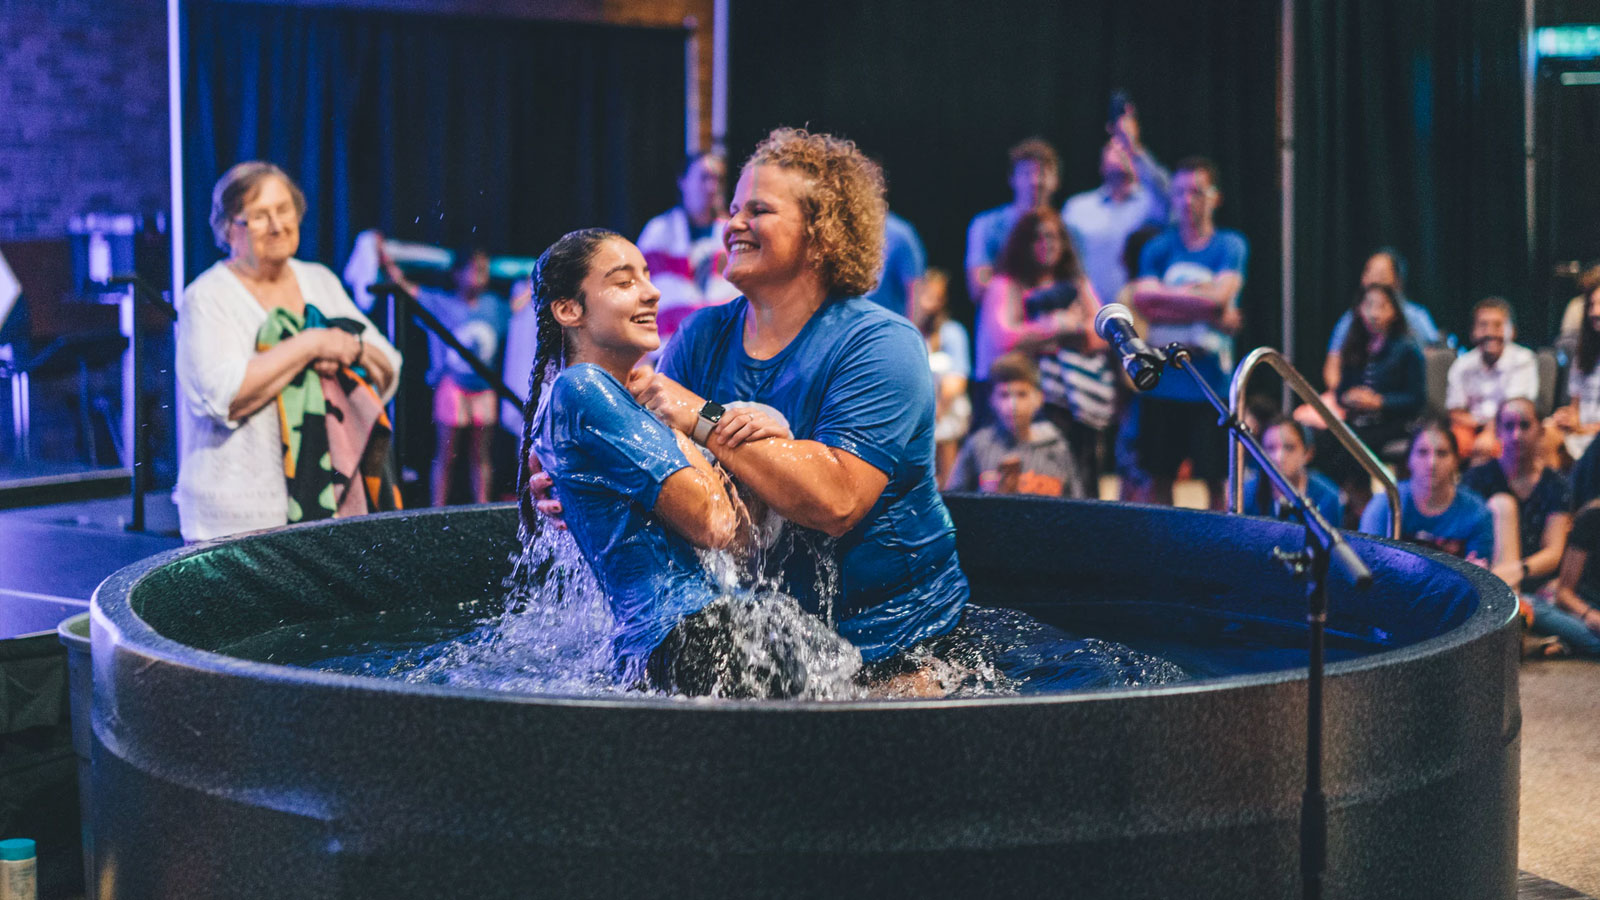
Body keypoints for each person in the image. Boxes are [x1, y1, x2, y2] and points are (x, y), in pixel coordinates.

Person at [615, 127, 970, 675]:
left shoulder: (882, 345)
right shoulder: (700, 339)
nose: (732, 223)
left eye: (758, 210)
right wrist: (592, 482)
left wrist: (701, 415)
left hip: (901, 645)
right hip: (770, 647)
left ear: (822, 233)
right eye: (733, 209)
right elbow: (676, 496)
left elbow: (836, 501)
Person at [518, 228, 865, 697]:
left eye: (645, 275)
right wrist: (692, 431)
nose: (652, 291)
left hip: (684, 638)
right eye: (623, 282)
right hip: (689, 637)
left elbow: (741, 540)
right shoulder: (583, 386)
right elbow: (714, 522)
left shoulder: (615, 400)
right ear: (568, 310)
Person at [175, 161, 401, 541]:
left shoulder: (319, 280)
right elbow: (223, 396)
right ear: (230, 226)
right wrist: (313, 343)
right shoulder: (207, 297)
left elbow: (388, 364)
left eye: (285, 210)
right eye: (260, 216)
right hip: (235, 520)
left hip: (328, 509)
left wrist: (350, 348)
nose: (278, 225)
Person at [1128, 157, 1248, 508]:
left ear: (1214, 197)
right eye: (1179, 192)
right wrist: (1204, 300)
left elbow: (1222, 297)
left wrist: (1169, 303)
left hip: (1211, 382)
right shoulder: (1157, 247)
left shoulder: (1230, 245)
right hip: (1163, 379)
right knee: (1159, 477)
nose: (1187, 200)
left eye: (1196, 192)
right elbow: (1143, 299)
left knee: (1217, 480)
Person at [381, 245, 513, 506]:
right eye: (473, 269)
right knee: (447, 453)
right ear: (457, 274)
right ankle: (437, 508)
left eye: (483, 270)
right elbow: (404, 287)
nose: (479, 275)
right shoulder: (442, 303)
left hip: (485, 387)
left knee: (481, 454)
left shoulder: (495, 306)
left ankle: (483, 507)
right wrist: (384, 257)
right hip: (452, 386)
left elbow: (523, 303)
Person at [1302, 283, 1425, 518]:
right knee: (1324, 442)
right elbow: (1340, 391)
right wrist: (1349, 397)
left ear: (1394, 311)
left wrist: (1379, 402)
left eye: (1382, 306)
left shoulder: (1408, 349)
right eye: (1369, 305)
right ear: (1359, 310)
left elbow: (1417, 399)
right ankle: (1336, 506)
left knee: (1352, 447)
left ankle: (1362, 509)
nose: (1374, 313)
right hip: (1358, 420)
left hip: (1394, 423)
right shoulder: (1355, 345)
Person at [1062, 124, 1170, 309]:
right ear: (1101, 163)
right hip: (1090, 314)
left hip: (1144, 315)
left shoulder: (1152, 204)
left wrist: (1135, 148)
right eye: (1114, 148)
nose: (1122, 151)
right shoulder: (1077, 207)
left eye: (1126, 149)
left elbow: (1170, 194)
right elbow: (1063, 261)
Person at [636, 152, 741, 342]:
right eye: (704, 177)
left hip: (723, 344)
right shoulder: (658, 232)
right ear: (683, 181)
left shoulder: (733, 232)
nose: (712, 187)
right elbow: (639, 291)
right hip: (668, 345)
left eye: (718, 179)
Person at [946, 352, 1080, 497]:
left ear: (1039, 398)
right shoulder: (979, 446)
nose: (1013, 405)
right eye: (1004, 395)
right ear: (992, 400)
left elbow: (1077, 503)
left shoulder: (1057, 447)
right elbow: (954, 502)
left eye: (1022, 394)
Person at [1359, 418, 1493, 563]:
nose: (1432, 463)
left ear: (1456, 461)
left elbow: (1480, 574)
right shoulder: (1385, 504)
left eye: (1442, 453)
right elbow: (1366, 562)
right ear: (1409, 460)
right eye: (1423, 452)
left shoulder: (1477, 511)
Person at [1321, 248, 1440, 392]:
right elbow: (1333, 364)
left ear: (1398, 281)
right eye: (1369, 273)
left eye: (1381, 275)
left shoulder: (1416, 317)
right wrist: (1343, 395)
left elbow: (1434, 363)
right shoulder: (1351, 319)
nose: (1373, 280)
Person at [965, 138, 1060, 302]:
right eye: (1026, 173)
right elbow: (978, 288)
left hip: (1055, 326)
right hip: (999, 325)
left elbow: (1077, 287)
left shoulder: (1066, 230)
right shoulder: (987, 225)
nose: (1035, 181)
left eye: (1042, 172)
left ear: (1056, 180)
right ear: (1012, 178)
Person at [1446, 296, 1538, 464]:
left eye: (1498, 325)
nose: (1490, 332)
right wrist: (1480, 428)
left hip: (1510, 425)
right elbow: (1455, 411)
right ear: (1472, 332)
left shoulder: (1524, 360)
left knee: (1491, 446)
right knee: (1451, 442)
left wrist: (1489, 432)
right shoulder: (1462, 364)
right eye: (1483, 325)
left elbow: (1516, 407)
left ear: (1512, 331)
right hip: (1472, 426)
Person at [911, 268, 971, 485]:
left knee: (946, 479)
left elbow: (957, 381)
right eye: (925, 296)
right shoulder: (906, 333)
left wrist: (934, 414)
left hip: (943, 417)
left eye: (936, 297)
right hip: (913, 417)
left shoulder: (952, 332)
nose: (929, 303)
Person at [1240, 415, 1343, 526]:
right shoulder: (1247, 493)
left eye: (1289, 447)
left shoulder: (1327, 496)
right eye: (1270, 448)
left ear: (1308, 453)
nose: (1279, 457)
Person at [1551, 268, 1600, 472]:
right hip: (1581, 432)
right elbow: (1576, 406)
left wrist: (1583, 428)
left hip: (1593, 435)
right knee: (1543, 434)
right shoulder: (1583, 353)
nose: (1595, 312)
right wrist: (1567, 416)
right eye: (1591, 305)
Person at [1541, 501, 1600, 656]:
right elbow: (1564, 594)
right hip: (1586, 610)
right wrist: (1590, 615)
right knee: (1532, 607)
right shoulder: (1592, 517)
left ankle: (1572, 644)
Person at [862, 209, 926, 317]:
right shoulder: (840, 228)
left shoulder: (900, 234)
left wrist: (911, 331)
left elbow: (915, 289)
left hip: (884, 327)